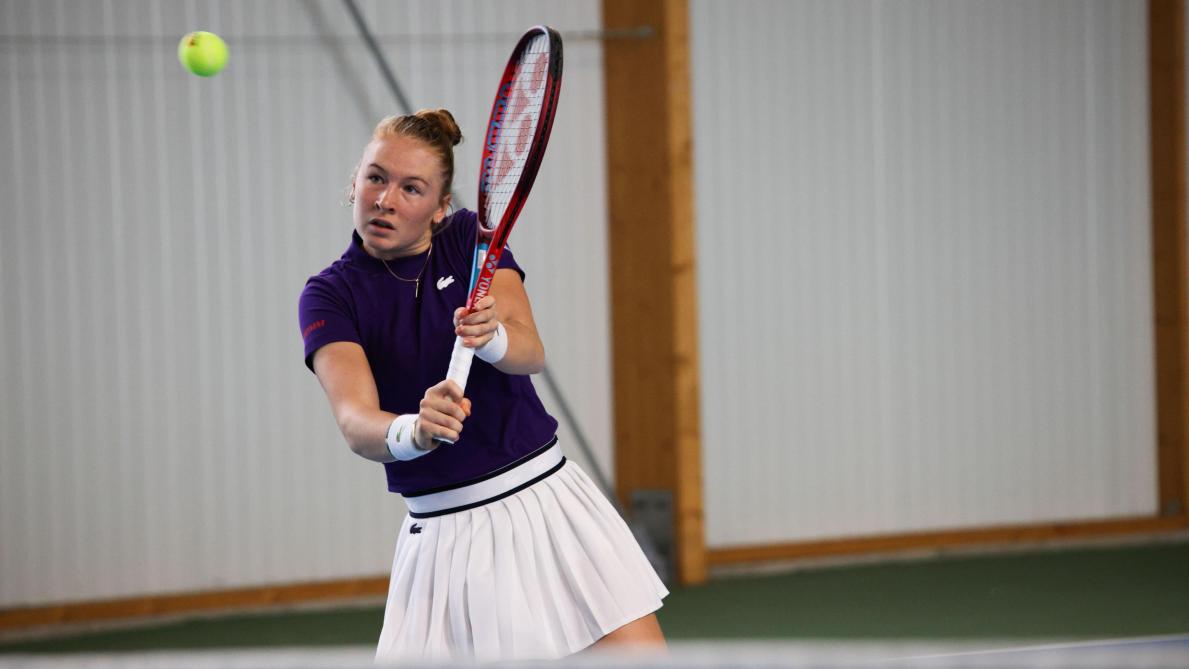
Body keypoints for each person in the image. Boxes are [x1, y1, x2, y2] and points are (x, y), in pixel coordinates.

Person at [298, 109, 667, 662]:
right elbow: (355, 421)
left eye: (411, 188)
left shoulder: (472, 240)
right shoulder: (329, 295)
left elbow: (530, 352)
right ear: (356, 181)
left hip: (547, 505)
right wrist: (413, 431)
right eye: (376, 177)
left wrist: (492, 336)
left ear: (439, 208)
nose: (385, 199)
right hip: (446, 540)